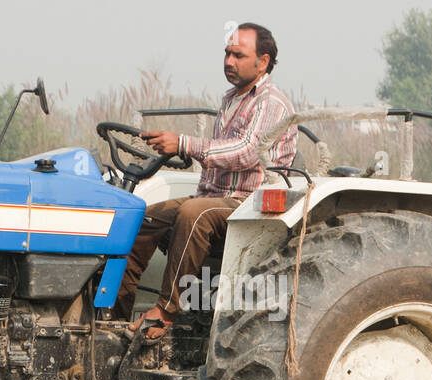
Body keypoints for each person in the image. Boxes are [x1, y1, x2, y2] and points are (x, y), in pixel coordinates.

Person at [115, 22, 297, 344]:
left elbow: (248, 151)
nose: (229, 61)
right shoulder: (230, 100)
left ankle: (165, 311)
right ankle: (114, 317)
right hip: (216, 198)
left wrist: (184, 144)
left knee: (194, 213)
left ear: (263, 62)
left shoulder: (271, 103)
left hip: (249, 205)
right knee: (138, 219)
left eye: (238, 55)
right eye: (227, 54)